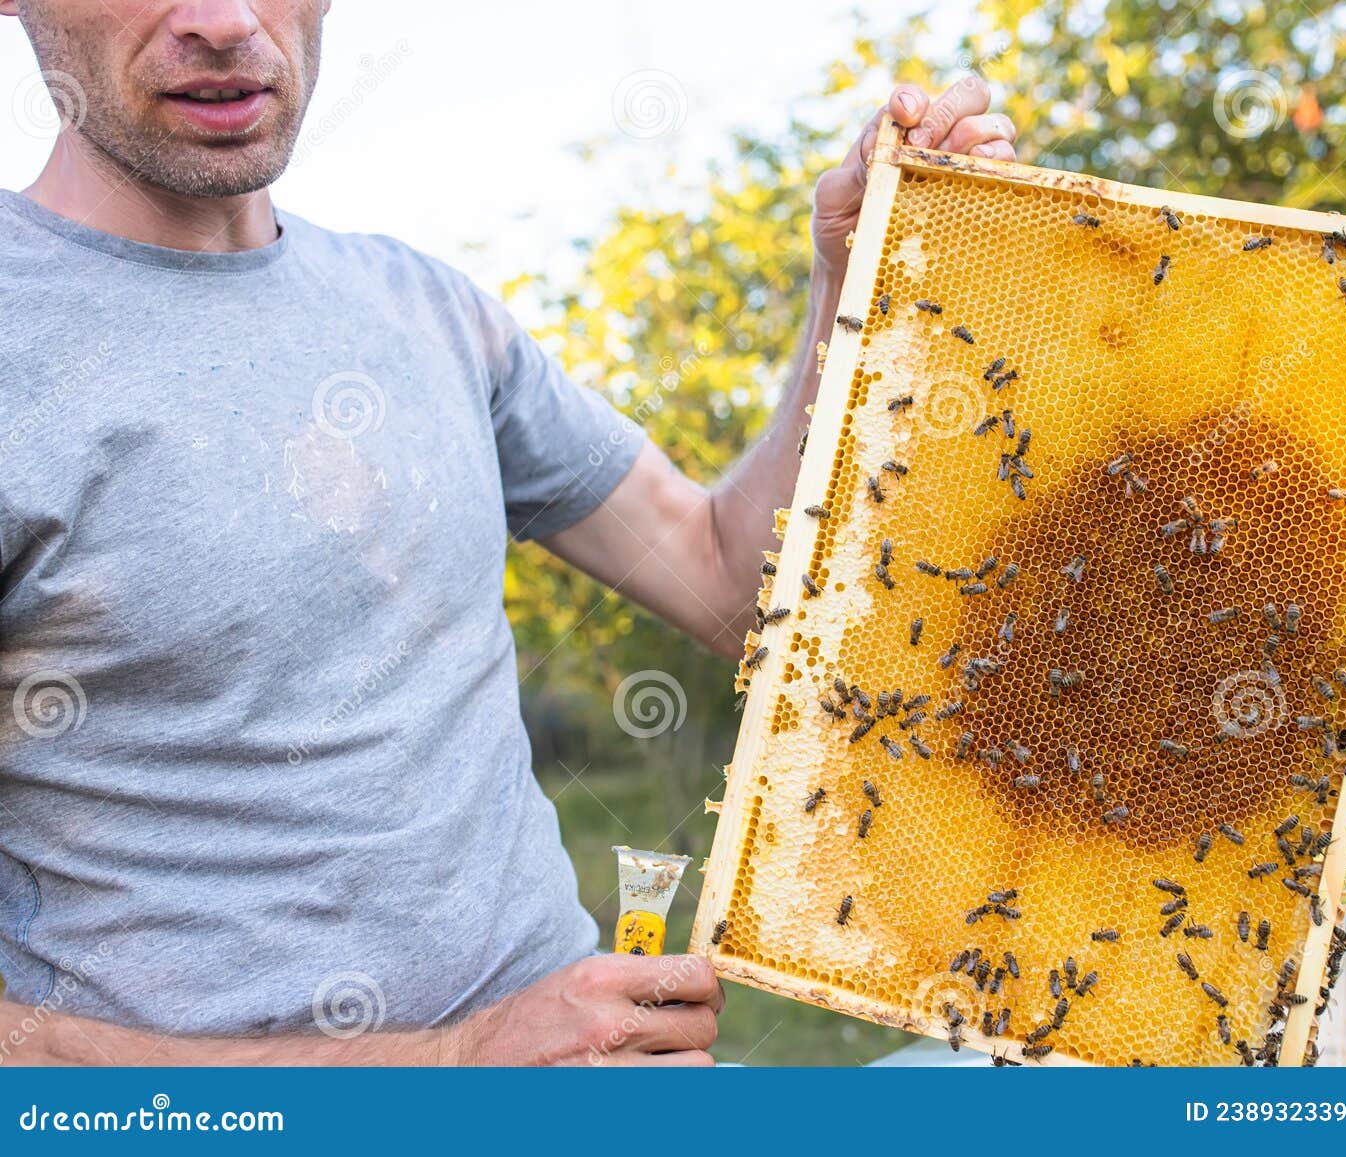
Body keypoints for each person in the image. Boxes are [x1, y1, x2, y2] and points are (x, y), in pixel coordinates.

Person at [0, 0, 1018, 1065]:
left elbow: (733, 583)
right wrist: (453, 1063)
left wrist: (861, 290)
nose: (222, 21)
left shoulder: (428, 310)